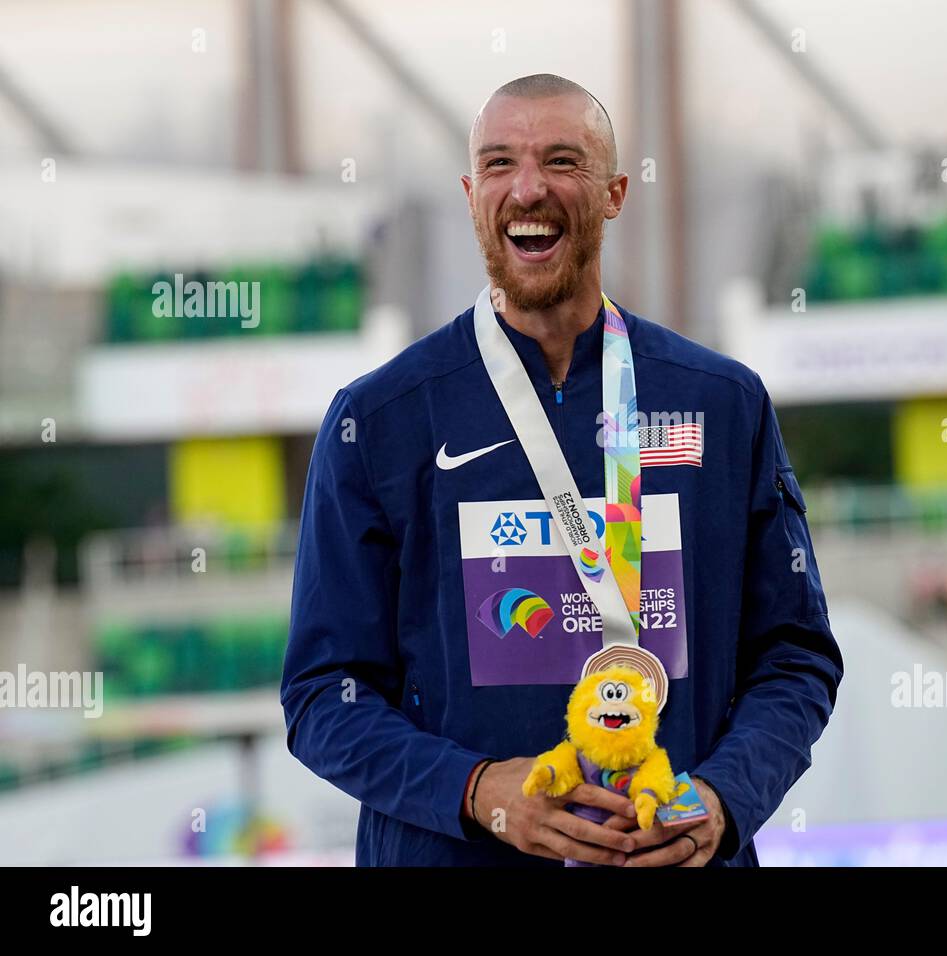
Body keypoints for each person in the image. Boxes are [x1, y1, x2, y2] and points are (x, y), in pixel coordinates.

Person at [281, 73, 843, 866]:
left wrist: (723, 798)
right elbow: (321, 697)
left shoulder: (721, 403)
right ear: (473, 193)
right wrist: (475, 791)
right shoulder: (378, 421)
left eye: (562, 161)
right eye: (501, 164)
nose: (529, 188)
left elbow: (796, 655)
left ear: (614, 193)